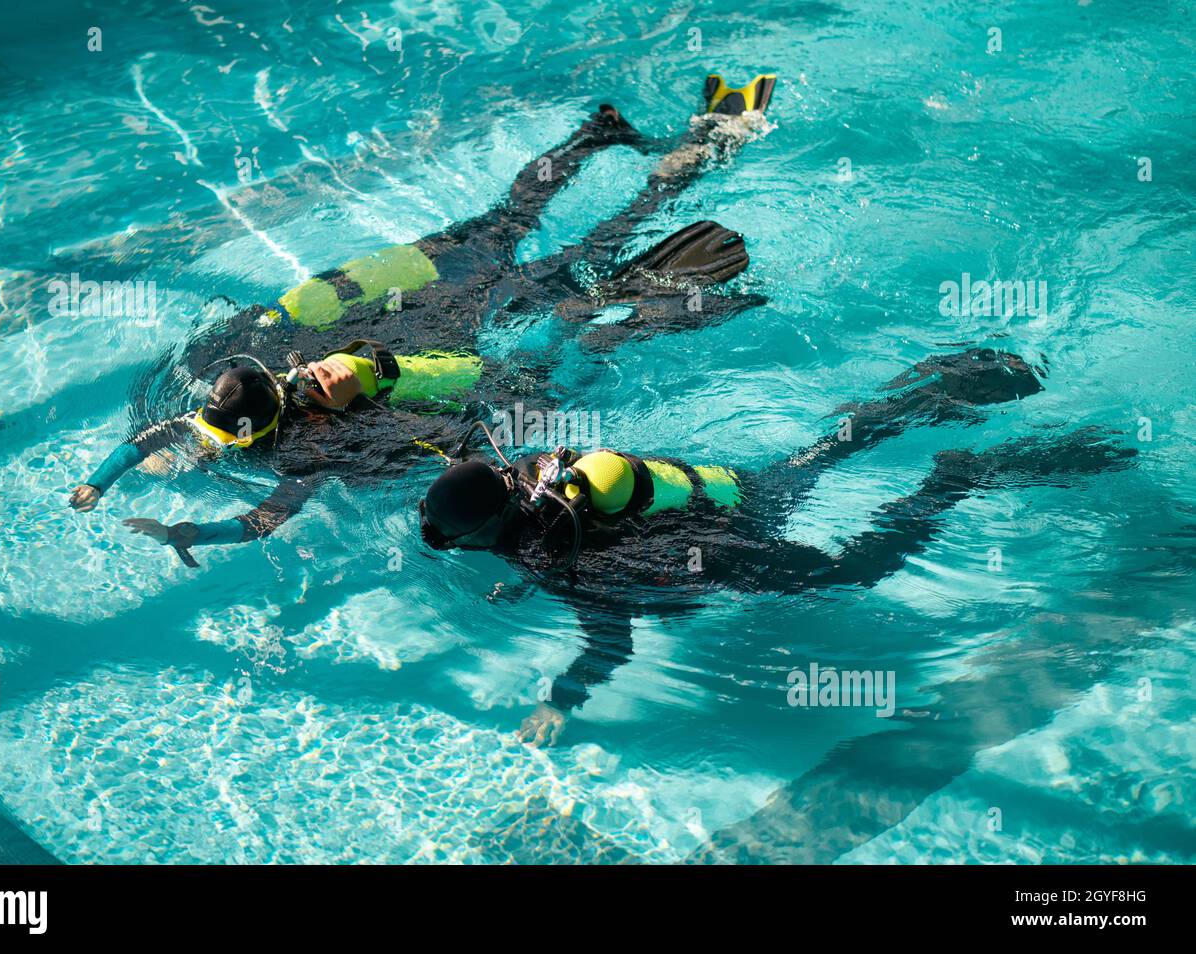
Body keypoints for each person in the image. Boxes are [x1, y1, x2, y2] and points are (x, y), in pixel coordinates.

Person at [69, 74, 780, 563]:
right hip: (438, 298)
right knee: (516, 220)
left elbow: (257, 521)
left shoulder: (307, 448)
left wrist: (186, 528)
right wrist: (107, 484)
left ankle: (701, 152)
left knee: (589, 253)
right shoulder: (280, 358)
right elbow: (149, 441)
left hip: (471, 327)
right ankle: (601, 135)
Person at [417, 348, 1138, 746]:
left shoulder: (554, 558)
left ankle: (954, 481)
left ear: (484, 535)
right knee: (819, 455)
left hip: (728, 548)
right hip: (725, 492)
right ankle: (941, 383)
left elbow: (613, 643)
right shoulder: (539, 477)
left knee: (849, 573)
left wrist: (561, 702)